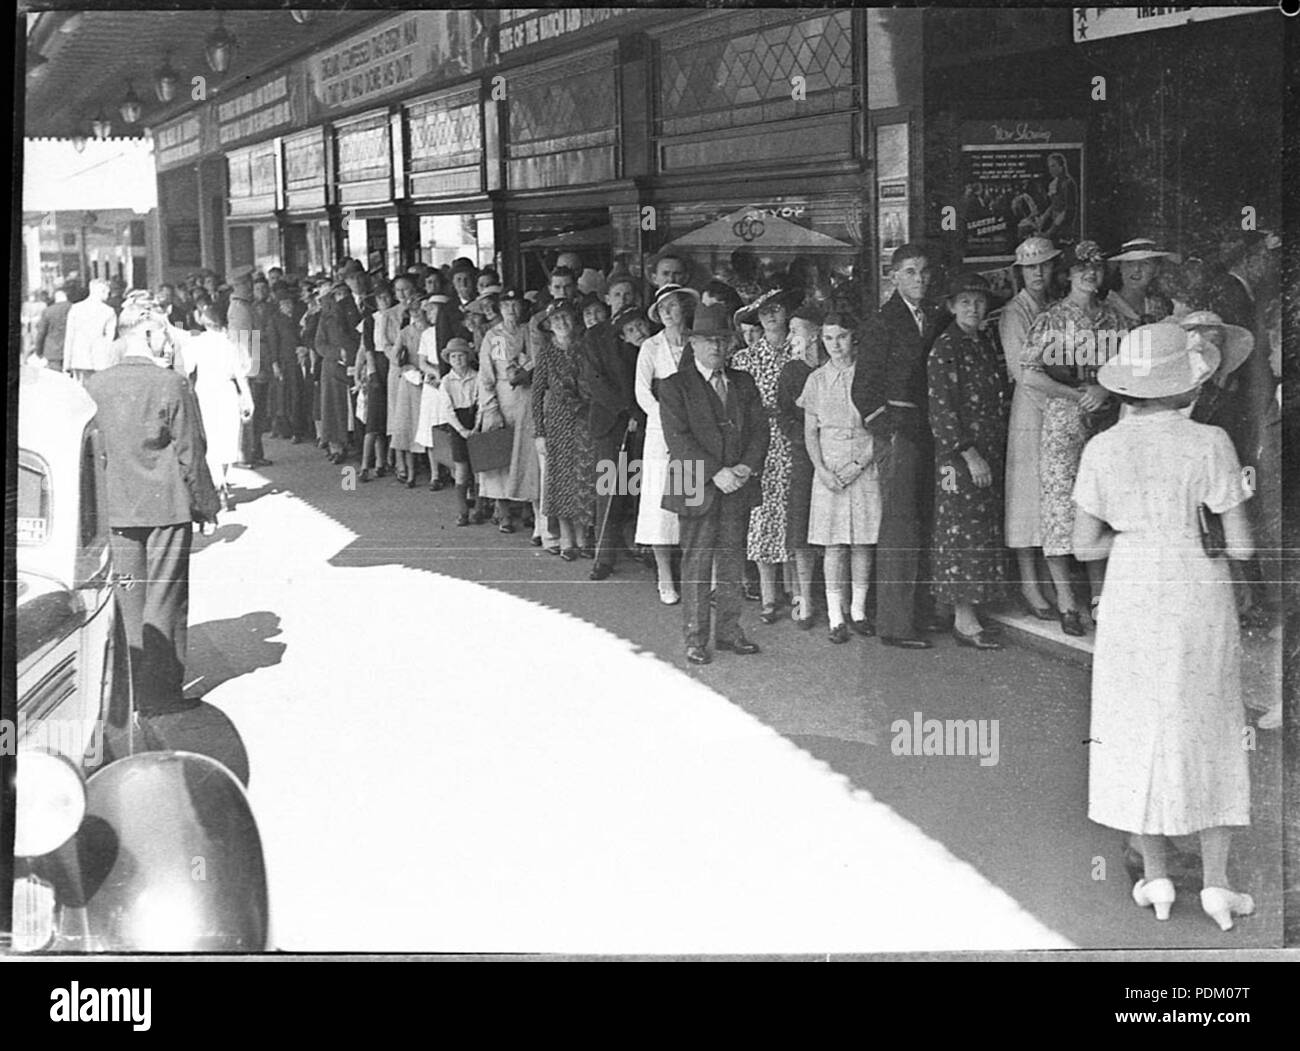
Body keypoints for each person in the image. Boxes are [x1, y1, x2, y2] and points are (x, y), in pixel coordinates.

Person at [1072, 323, 1256, 932]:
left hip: (1131, 587)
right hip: (1197, 590)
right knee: (1208, 717)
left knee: (1135, 722)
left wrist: (1136, 531)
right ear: (1188, 388)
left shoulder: (1103, 448)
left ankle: (1153, 879)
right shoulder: (1212, 442)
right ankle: (1218, 885)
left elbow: (1084, 545)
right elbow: (1242, 546)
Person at [85, 294, 219, 715]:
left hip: (118, 512)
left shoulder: (95, 385)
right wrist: (206, 506)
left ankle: (128, 692)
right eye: (163, 334)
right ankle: (160, 696)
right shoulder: (171, 383)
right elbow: (191, 450)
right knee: (165, 597)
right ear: (145, 333)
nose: (168, 344)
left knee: (127, 597)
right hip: (166, 511)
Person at [1019, 240, 1131, 635]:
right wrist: (1075, 394)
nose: (1090, 274)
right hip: (1064, 420)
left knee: (1098, 506)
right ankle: (1067, 601)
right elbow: (1030, 373)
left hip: (1105, 423)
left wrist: (1106, 390)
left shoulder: (1114, 320)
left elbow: (1130, 372)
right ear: (1067, 274)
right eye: (1082, 268)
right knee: (1060, 510)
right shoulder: (1051, 319)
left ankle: (1100, 597)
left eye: (1096, 267)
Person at [658, 302, 770, 666]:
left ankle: (728, 630)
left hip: (737, 482)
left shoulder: (744, 381)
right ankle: (695, 636)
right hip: (696, 482)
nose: (717, 348)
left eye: (723, 340)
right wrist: (715, 473)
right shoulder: (674, 386)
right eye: (708, 341)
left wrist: (745, 468)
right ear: (692, 344)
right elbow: (678, 439)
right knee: (696, 562)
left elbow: (760, 431)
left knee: (732, 560)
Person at [852, 243, 949, 650]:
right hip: (900, 435)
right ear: (894, 277)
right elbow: (864, 391)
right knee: (900, 527)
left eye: (924, 271)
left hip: (932, 432)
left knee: (926, 520)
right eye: (910, 272)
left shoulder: (938, 318)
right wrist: (889, 432)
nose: (919, 279)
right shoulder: (883, 322)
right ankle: (894, 624)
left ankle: (921, 612)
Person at [927, 273, 1010, 649]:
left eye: (978, 302)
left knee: (976, 527)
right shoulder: (947, 347)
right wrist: (970, 455)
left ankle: (965, 608)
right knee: (957, 527)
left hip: (985, 451)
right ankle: (963, 618)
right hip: (956, 460)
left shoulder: (982, 342)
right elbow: (942, 410)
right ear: (951, 306)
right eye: (965, 302)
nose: (973, 308)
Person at [731, 285, 802, 623]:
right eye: (765, 311)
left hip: (795, 438)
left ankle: (797, 591)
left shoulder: (802, 350)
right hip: (759, 440)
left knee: (794, 510)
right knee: (762, 515)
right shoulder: (744, 359)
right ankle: (769, 596)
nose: (773, 315)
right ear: (757, 319)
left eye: (777, 309)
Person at [1001, 236, 1061, 619]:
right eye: (1030, 266)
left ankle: (1048, 580)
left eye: (1044, 265)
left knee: (1051, 495)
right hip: (1031, 409)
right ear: (1020, 271)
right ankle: (1028, 583)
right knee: (1027, 497)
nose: (1038, 272)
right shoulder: (1015, 312)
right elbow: (1023, 371)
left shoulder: (1055, 308)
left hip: (1056, 405)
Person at [634, 283, 699, 603]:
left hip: (694, 431)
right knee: (660, 505)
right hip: (661, 434)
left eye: (674, 306)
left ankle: (693, 573)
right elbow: (642, 392)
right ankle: (664, 575)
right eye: (663, 309)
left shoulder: (696, 341)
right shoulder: (651, 347)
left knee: (690, 499)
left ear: (685, 308)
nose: (669, 313)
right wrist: (667, 416)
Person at [581, 304, 645, 579]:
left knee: (639, 486)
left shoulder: (650, 344)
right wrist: (626, 411)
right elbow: (597, 383)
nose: (638, 332)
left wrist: (637, 415)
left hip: (643, 423)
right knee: (610, 488)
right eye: (631, 329)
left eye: (640, 325)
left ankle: (643, 548)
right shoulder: (596, 339)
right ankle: (604, 556)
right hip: (611, 423)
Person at [532, 299, 595, 560]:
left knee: (583, 478)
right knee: (559, 481)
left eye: (565, 317)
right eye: (556, 319)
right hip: (556, 422)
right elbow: (536, 395)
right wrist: (539, 433)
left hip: (584, 421)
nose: (562, 323)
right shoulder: (546, 353)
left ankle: (582, 536)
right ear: (549, 325)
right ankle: (566, 539)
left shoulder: (585, 348)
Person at [180, 301, 254, 512]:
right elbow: (242, 374)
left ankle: (218, 483)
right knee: (228, 438)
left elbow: (186, 369)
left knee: (211, 439)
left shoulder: (196, 342)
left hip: (206, 393)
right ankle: (222, 480)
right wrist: (247, 399)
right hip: (227, 392)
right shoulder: (232, 343)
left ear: (204, 321)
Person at [777, 308, 825, 628]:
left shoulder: (834, 364)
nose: (793, 338)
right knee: (801, 529)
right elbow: (783, 415)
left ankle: (842, 603)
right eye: (791, 331)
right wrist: (805, 442)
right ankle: (803, 601)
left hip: (837, 455)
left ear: (816, 333)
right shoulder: (791, 372)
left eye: (797, 331)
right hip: (803, 458)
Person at [476, 290, 540, 534]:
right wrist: (491, 408)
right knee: (499, 452)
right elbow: (488, 374)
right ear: (499, 309)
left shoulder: (527, 331)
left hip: (527, 394)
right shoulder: (495, 335)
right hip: (503, 396)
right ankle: (502, 511)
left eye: (515, 305)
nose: (511, 310)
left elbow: (535, 359)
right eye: (506, 305)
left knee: (525, 451)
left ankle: (526, 506)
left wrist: (526, 365)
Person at [315, 278, 361, 464]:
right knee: (333, 408)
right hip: (333, 368)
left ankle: (358, 446)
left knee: (356, 408)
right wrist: (336, 353)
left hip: (354, 365)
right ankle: (336, 446)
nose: (341, 298)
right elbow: (319, 344)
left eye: (345, 294)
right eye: (338, 295)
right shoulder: (326, 317)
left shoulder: (355, 314)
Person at [436, 338, 480, 525]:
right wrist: (462, 430)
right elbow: (447, 409)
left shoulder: (476, 377)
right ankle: (462, 510)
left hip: (475, 420)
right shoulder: (446, 381)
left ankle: (479, 508)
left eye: (461, 356)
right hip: (457, 424)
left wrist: (476, 427)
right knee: (461, 467)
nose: (458, 360)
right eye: (453, 356)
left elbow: (481, 403)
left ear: (468, 357)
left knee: (479, 467)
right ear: (449, 359)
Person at [1105, 238, 1175, 325]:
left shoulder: (1160, 307)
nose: (1136, 269)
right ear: (1120, 267)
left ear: (1156, 270)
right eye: (1130, 263)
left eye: (1145, 263)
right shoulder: (1106, 307)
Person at [63, 278, 117, 383]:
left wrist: (67, 364)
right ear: (102, 291)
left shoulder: (76, 308)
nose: (108, 295)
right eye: (107, 292)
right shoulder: (108, 311)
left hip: (79, 356)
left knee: (81, 392)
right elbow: (110, 339)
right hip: (100, 357)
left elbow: (69, 337)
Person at [31, 281, 80, 371]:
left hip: (53, 352)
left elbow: (41, 333)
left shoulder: (48, 311)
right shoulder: (76, 308)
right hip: (73, 351)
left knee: (56, 379)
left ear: (55, 298)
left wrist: (39, 351)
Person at [1036, 152, 1078, 244]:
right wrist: (1043, 218)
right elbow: (1054, 204)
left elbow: (1067, 210)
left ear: (1061, 167)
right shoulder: (1054, 183)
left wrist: (1050, 231)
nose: (1051, 170)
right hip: (1054, 225)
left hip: (1064, 229)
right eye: (1049, 167)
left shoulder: (1067, 183)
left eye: (1053, 166)